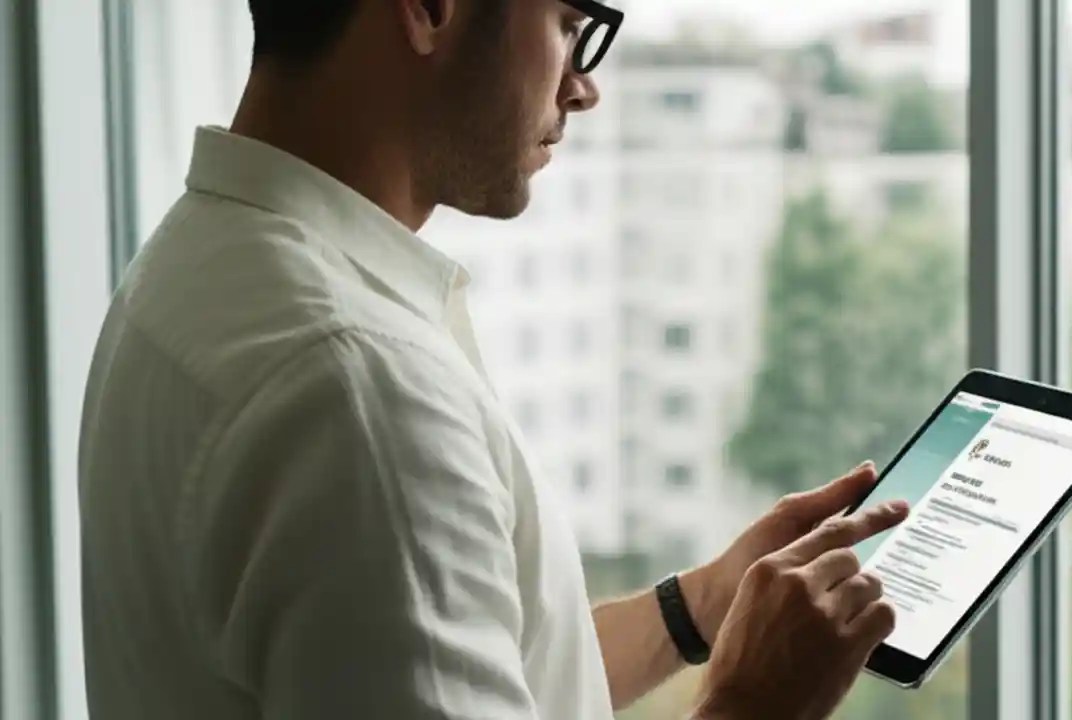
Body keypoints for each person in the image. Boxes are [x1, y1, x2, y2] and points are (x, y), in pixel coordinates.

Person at [77, 1, 909, 718]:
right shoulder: (357, 386)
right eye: (568, 23)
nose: (582, 86)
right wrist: (754, 703)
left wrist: (702, 605)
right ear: (429, 7)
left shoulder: (195, 265)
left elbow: (453, 673)